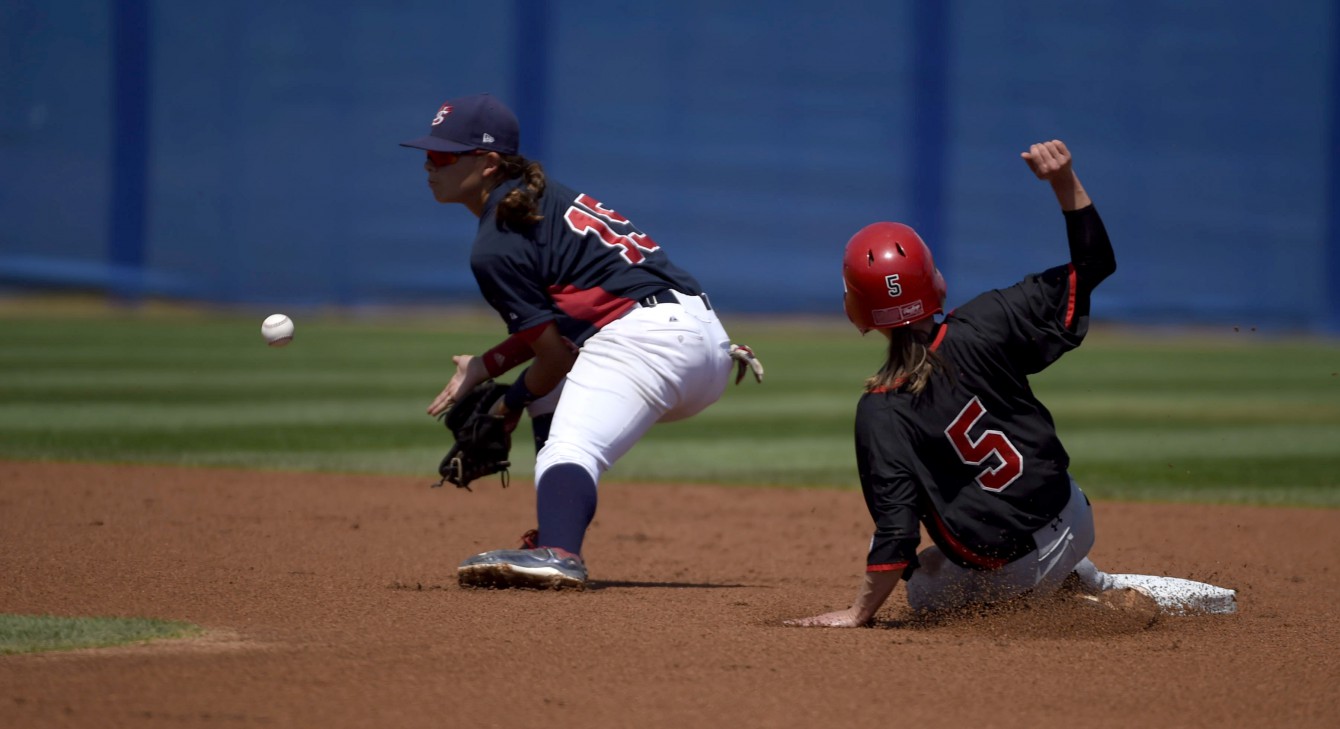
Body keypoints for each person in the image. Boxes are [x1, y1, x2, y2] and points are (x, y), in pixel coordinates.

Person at [787, 139, 1236, 627]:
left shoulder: (882, 409)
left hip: (1018, 566)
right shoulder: (989, 319)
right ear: (931, 279)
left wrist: (859, 612)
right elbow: (1094, 266)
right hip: (1074, 513)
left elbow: (896, 535)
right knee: (1032, 556)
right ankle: (1118, 587)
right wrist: (1064, 182)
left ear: (859, 308)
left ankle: (1064, 595)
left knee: (924, 585)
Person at [400, 93, 759, 590]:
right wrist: (487, 365)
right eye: (427, 154)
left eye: (442, 155)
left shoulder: (496, 241)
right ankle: (552, 533)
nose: (427, 165)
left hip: (647, 344)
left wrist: (509, 402)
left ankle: (559, 552)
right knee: (550, 396)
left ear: (486, 164)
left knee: (569, 444)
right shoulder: (541, 198)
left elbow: (556, 355)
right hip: (706, 345)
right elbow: (562, 326)